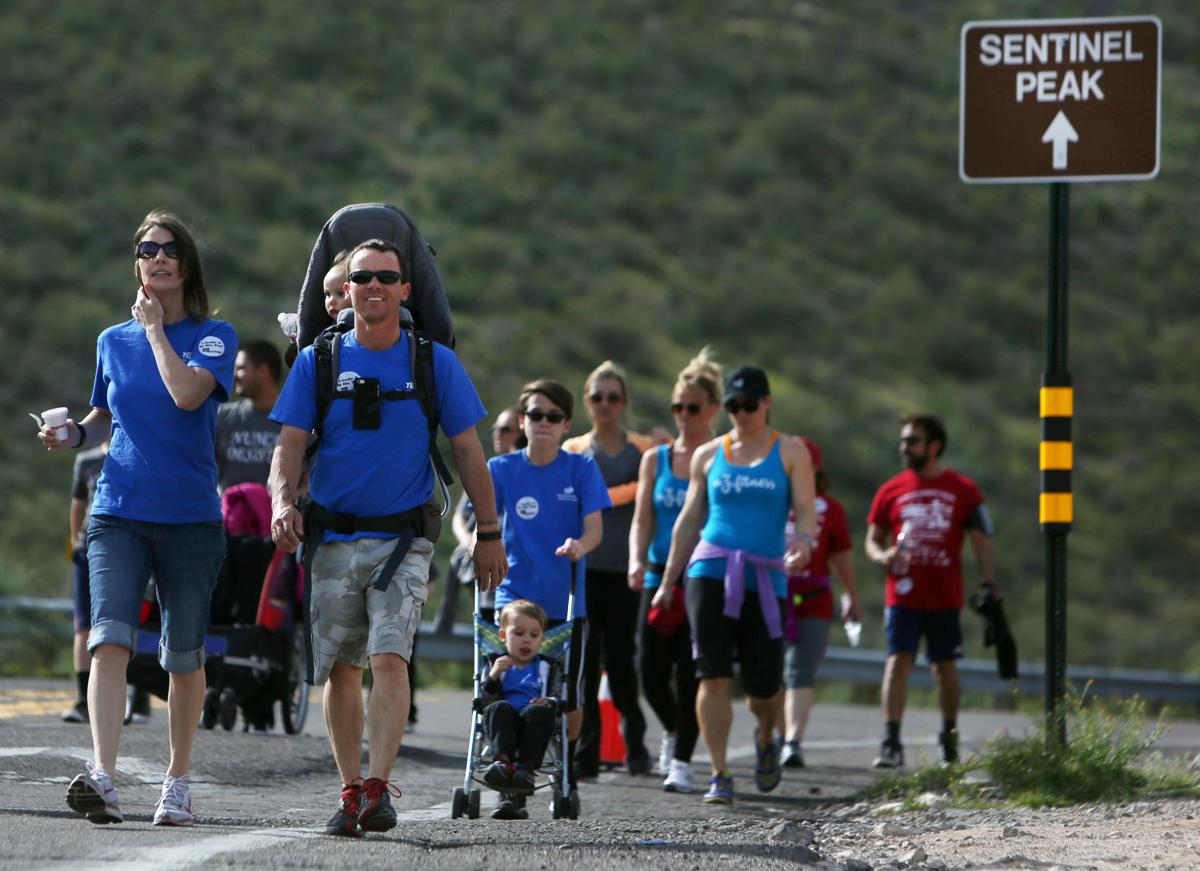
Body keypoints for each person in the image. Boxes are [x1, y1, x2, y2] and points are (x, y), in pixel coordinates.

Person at [269, 238, 506, 838]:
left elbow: (469, 450)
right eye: (362, 277)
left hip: (404, 541)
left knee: (387, 656)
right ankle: (352, 790)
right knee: (342, 670)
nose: (374, 286)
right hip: (332, 538)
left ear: (406, 290)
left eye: (387, 278)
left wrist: (489, 533)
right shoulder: (316, 362)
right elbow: (289, 444)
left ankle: (377, 787)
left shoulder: (434, 363)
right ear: (344, 291)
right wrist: (280, 500)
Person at [38, 210, 237, 826]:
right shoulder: (110, 341)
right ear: (137, 263)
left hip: (190, 516)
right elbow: (104, 416)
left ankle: (176, 783)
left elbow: (186, 395)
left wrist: (154, 332)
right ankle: (103, 776)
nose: (157, 258)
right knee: (109, 639)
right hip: (119, 508)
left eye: (169, 249)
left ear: (186, 264)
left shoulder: (214, 336)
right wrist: (71, 433)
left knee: (182, 655)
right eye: (147, 249)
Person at [655, 365, 816, 805]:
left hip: (765, 575)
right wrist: (669, 579)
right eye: (733, 406)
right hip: (710, 569)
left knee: (765, 687)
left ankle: (767, 733)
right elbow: (689, 520)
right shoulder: (710, 454)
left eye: (748, 405)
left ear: (766, 403)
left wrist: (803, 542)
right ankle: (719, 773)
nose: (740, 413)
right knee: (712, 673)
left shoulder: (792, 452)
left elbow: (805, 509)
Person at [488, 379, 610, 794]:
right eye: (535, 415)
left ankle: (567, 766)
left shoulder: (582, 468)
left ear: (566, 425)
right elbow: (471, 520)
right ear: (522, 421)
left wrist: (579, 545)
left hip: (564, 601)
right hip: (513, 601)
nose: (543, 423)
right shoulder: (501, 469)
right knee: (503, 686)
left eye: (552, 417)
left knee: (569, 696)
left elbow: (595, 529)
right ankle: (508, 767)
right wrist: (475, 543)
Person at [865, 414, 996, 768]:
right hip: (903, 596)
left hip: (944, 597)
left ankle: (948, 738)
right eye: (903, 441)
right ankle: (891, 740)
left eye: (912, 441)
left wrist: (989, 581)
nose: (904, 448)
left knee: (945, 669)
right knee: (897, 663)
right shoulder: (890, 490)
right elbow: (872, 541)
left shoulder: (963, 489)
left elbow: (981, 538)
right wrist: (883, 557)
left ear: (934, 446)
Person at [628, 349, 722, 793]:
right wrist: (635, 558)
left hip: (703, 573)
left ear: (713, 410)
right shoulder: (656, 459)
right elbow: (643, 517)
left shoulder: (720, 457)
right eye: (677, 407)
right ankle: (672, 729)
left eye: (693, 408)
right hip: (657, 571)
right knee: (648, 669)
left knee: (691, 671)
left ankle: (682, 761)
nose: (684, 416)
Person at [564, 361, 654, 777]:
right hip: (586, 566)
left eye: (612, 397)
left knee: (620, 661)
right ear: (586, 401)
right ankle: (586, 751)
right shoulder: (575, 450)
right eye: (597, 397)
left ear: (624, 402)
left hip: (626, 568)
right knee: (585, 659)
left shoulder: (643, 450)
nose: (604, 404)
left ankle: (635, 741)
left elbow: (651, 496)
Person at [777, 437, 862, 768]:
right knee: (771, 672)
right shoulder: (769, 504)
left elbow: (842, 559)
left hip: (813, 600)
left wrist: (851, 597)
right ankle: (775, 736)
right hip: (771, 596)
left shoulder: (829, 508)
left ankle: (792, 742)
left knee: (799, 670)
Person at [437, 406, 525, 634]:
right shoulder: (487, 470)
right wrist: (469, 541)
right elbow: (460, 515)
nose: (497, 434)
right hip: (483, 550)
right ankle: (445, 620)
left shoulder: (525, 474)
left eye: (505, 429)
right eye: (496, 428)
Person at [479, 599, 559, 820]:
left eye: (534, 635)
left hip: (533, 720)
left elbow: (558, 696)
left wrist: (549, 701)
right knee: (499, 707)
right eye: (519, 633)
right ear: (504, 636)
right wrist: (493, 677)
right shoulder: (497, 663)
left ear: (542, 639)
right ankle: (502, 764)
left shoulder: (546, 667)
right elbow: (484, 701)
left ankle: (525, 769)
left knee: (539, 711)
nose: (527, 640)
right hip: (504, 720)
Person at [62, 440, 108, 724]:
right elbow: (77, 504)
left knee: (131, 621)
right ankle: (83, 698)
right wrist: (74, 542)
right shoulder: (86, 460)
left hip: (123, 547)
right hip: (87, 548)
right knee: (84, 625)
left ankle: (135, 696)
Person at [215, 340, 283, 493]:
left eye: (240, 368)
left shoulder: (292, 421)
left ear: (263, 371)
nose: (234, 375)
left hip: (272, 515)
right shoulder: (223, 417)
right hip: (229, 514)